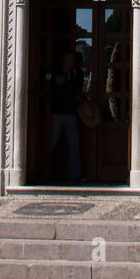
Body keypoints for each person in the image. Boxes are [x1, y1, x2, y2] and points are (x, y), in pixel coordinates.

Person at [50, 50, 84, 183]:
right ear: (62, 59)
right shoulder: (54, 73)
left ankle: (75, 175)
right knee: (52, 142)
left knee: (73, 145)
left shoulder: (77, 74)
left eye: (72, 60)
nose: (70, 62)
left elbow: (78, 92)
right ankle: (44, 172)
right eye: (68, 59)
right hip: (56, 113)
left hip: (71, 113)